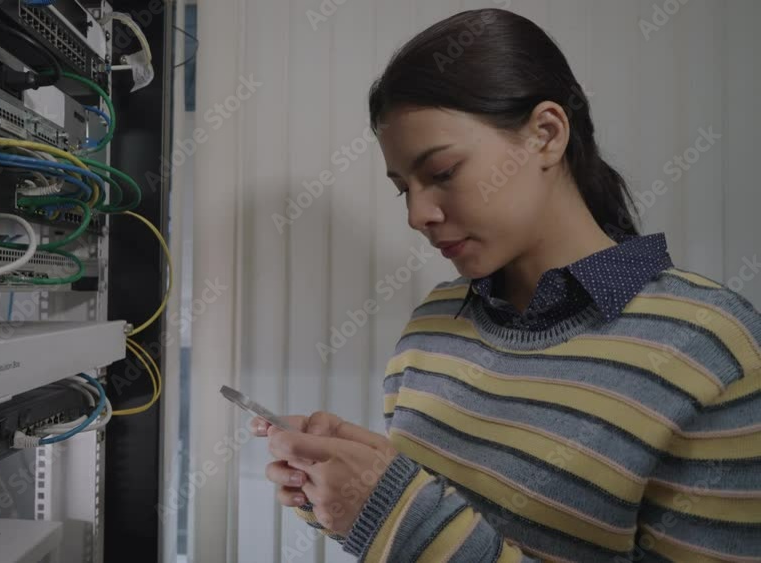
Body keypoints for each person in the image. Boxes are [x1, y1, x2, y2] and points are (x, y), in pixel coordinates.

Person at [252, 8, 761, 563]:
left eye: (442, 173)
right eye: (404, 188)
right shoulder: (434, 322)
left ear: (546, 134)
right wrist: (347, 495)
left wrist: (396, 514)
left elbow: (427, 532)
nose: (418, 213)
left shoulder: (714, 347)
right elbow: (431, 531)